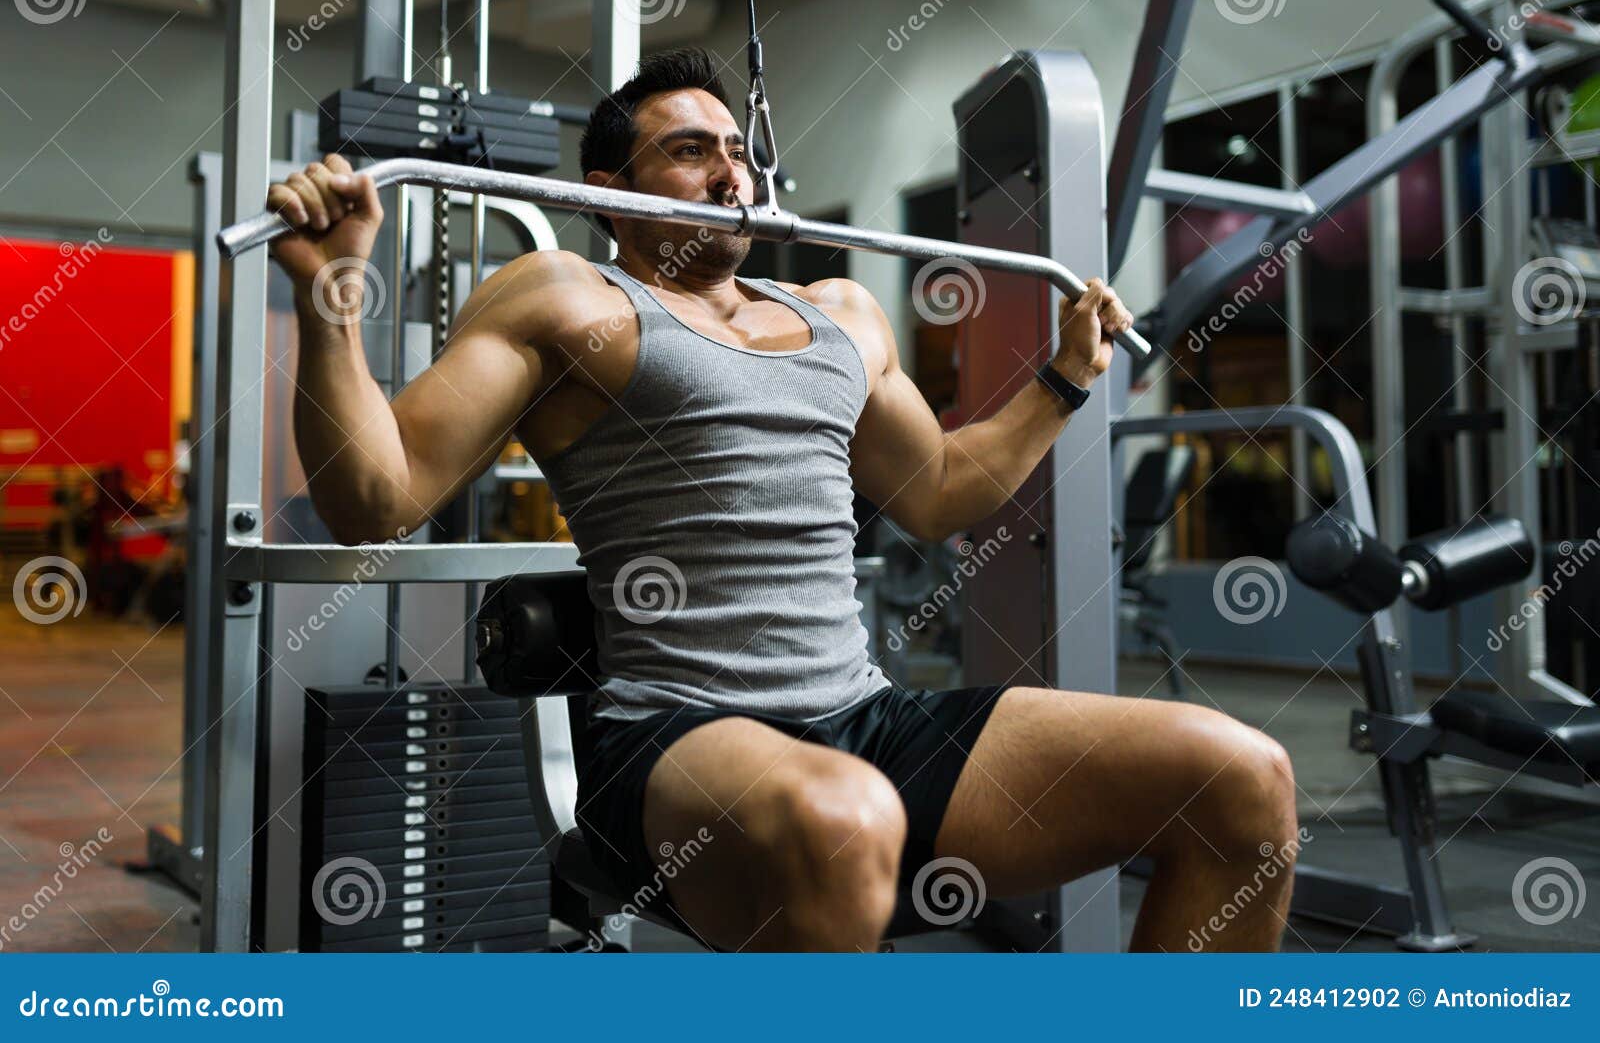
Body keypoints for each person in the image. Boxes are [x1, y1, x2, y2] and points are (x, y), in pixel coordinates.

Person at [266, 47, 1298, 952]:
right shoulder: (566, 298)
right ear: (607, 191)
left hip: (862, 715)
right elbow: (374, 496)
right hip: (675, 741)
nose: (730, 175)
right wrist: (332, 294)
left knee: (1240, 776)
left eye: (738, 151)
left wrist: (1065, 378)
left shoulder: (840, 311)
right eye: (688, 152)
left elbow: (939, 493)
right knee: (844, 818)